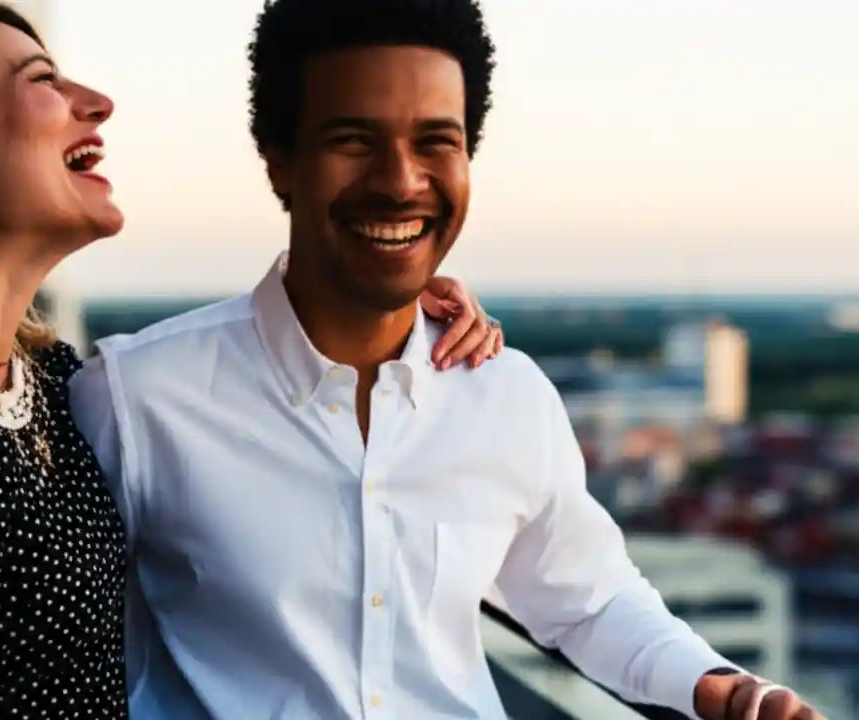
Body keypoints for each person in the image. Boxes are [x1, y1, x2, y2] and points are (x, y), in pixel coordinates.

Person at [0, 3, 502, 718]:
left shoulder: (46, 383)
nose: (95, 101)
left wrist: (399, 306)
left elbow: (220, 392)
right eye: (41, 80)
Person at [66, 0, 824, 719]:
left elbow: (587, 601)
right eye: (353, 140)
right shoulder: (135, 398)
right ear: (279, 162)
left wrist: (715, 688)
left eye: (437, 141)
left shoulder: (507, 395)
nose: (401, 182)